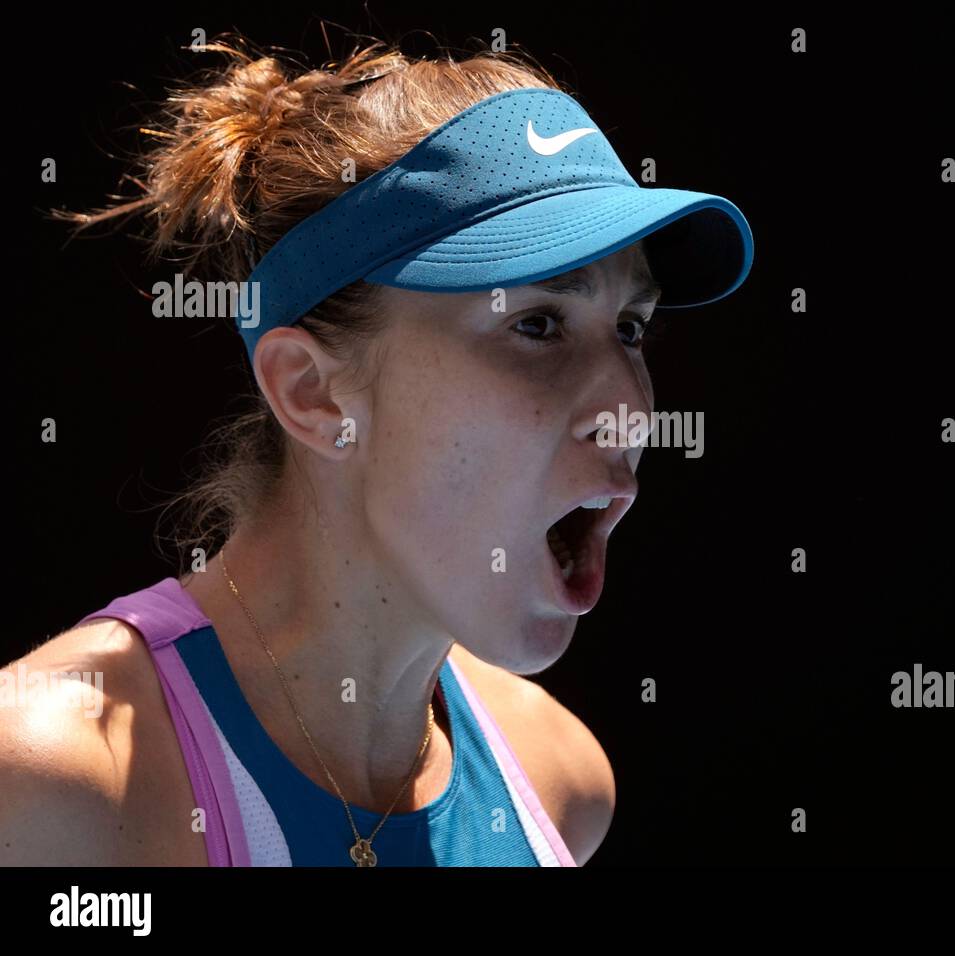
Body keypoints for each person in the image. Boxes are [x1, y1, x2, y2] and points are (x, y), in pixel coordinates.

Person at [0, 34, 753, 866]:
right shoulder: (50, 783)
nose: (629, 409)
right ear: (311, 393)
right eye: (536, 325)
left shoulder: (560, 783)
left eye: (631, 329)